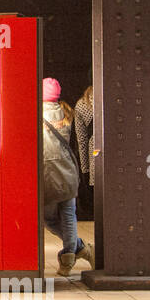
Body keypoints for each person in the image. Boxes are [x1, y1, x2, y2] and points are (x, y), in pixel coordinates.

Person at [42, 77, 94, 277]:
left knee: (48, 218)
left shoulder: (36, 115)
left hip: (49, 175)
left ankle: (73, 253)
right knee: (69, 217)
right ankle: (76, 251)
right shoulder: (67, 112)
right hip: (69, 173)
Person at [75, 84, 96, 189]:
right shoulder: (112, 98)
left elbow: (82, 140)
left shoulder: (81, 105)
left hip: (95, 157)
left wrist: (85, 170)